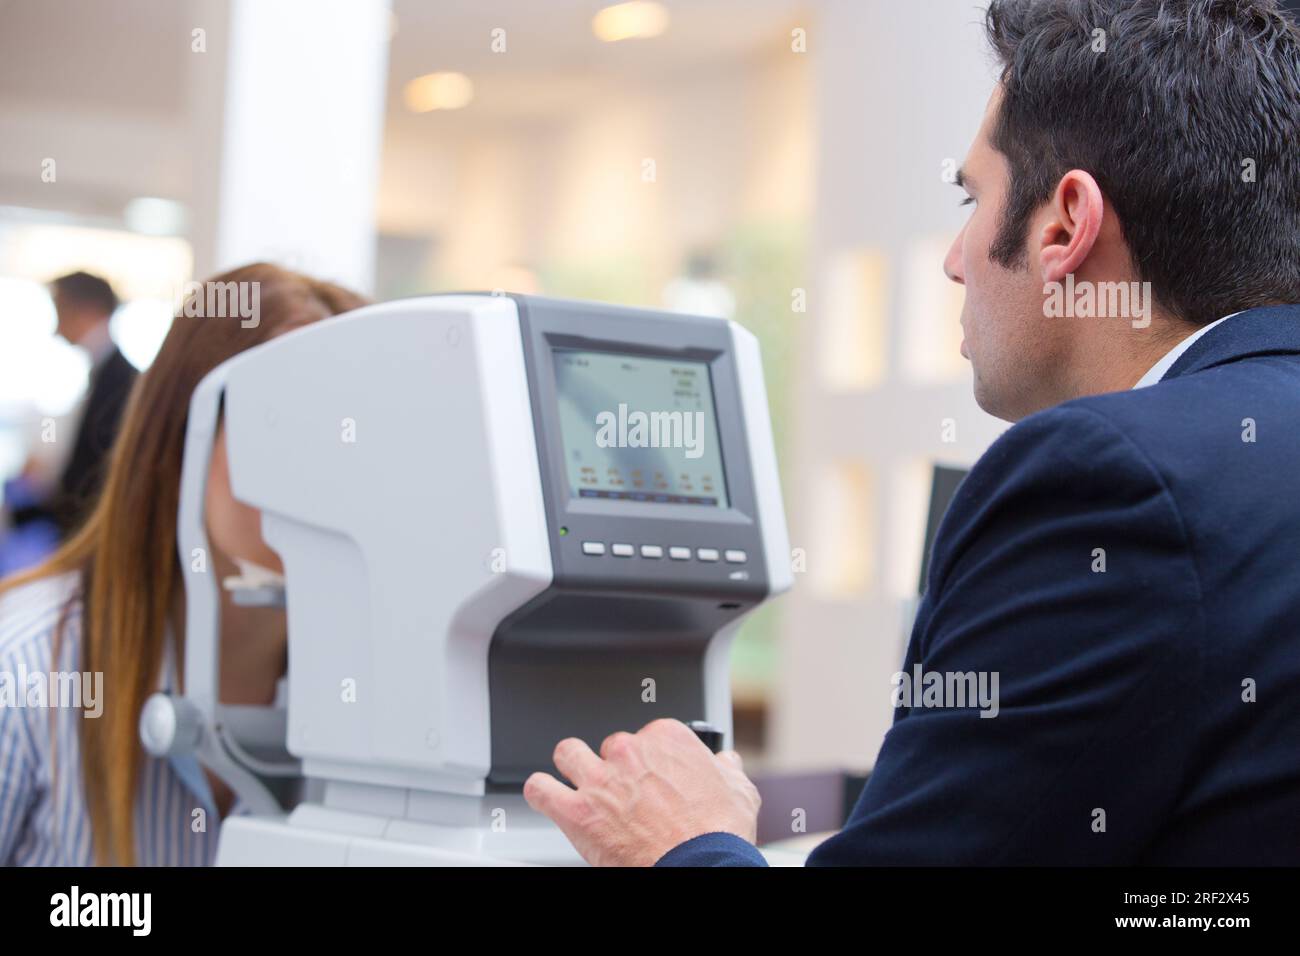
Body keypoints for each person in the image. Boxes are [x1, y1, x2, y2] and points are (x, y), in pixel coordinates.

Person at [523, 0, 1300, 866]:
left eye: (972, 197)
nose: (954, 257)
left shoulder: (1101, 480)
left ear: (1065, 225)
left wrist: (683, 843)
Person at [0, 263, 366, 865]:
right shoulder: (29, 670)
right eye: (285, 420)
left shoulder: (384, 687)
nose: (327, 460)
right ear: (179, 439)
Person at [8, 272, 138, 539]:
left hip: (92, 535)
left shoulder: (120, 379)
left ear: (85, 309)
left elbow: (96, 475)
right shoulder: (105, 373)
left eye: (59, 309)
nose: (56, 327)